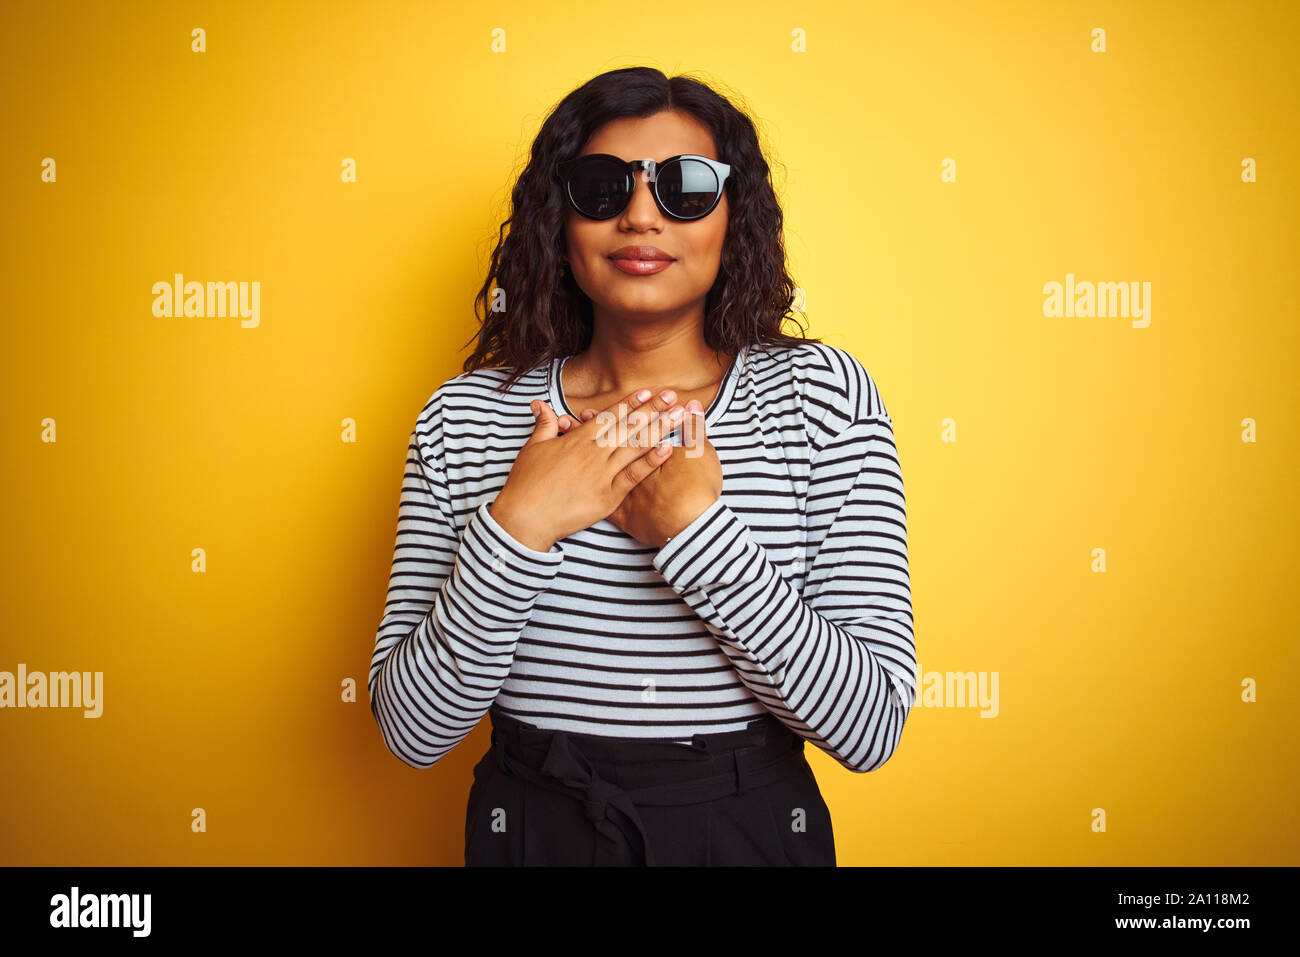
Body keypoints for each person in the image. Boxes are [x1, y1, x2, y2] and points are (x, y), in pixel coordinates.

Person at [367, 66, 915, 866]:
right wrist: (519, 525)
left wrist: (698, 534)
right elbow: (412, 732)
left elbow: (868, 727)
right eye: (601, 186)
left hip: (747, 833)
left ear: (734, 217)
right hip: (534, 829)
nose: (640, 215)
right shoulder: (468, 416)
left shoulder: (822, 398)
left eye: (685, 187)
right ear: (559, 219)